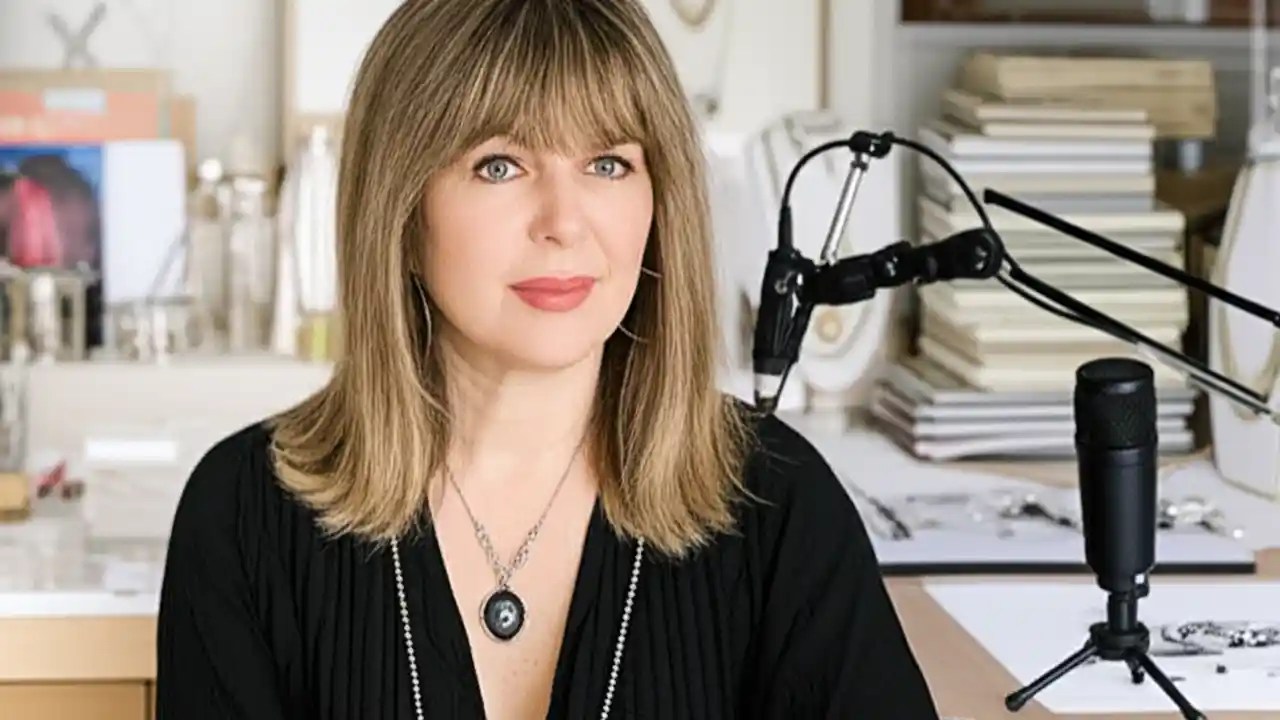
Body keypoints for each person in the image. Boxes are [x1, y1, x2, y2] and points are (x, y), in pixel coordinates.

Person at [155, 1, 939, 718]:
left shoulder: (779, 505)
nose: (564, 222)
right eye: (500, 164)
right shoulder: (242, 518)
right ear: (400, 212)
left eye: (607, 164)